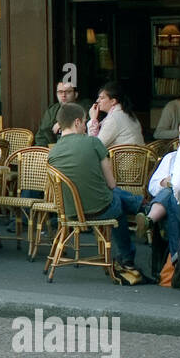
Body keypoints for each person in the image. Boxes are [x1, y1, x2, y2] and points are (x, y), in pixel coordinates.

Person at [49, 102, 146, 282]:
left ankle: (143, 207)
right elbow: (111, 183)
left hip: (68, 213)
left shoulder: (52, 153)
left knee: (116, 198)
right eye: (85, 122)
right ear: (77, 122)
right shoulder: (93, 142)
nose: (86, 126)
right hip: (100, 210)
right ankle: (142, 212)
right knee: (117, 199)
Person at [143, 120, 180, 273]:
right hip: (171, 204)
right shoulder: (171, 157)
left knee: (170, 193)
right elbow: (153, 186)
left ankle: (149, 219)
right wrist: (164, 182)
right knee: (168, 193)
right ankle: (177, 261)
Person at [87, 81, 144, 146]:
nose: (97, 101)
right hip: (137, 154)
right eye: (98, 97)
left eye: (102, 98)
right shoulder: (126, 113)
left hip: (125, 155)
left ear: (113, 101)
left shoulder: (114, 118)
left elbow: (96, 146)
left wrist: (93, 119)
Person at [34, 80, 81, 147]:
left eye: (68, 92)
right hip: (52, 151)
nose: (63, 95)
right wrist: (40, 151)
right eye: (60, 92)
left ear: (75, 94)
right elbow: (42, 135)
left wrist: (65, 123)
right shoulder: (51, 111)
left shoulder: (83, 109)